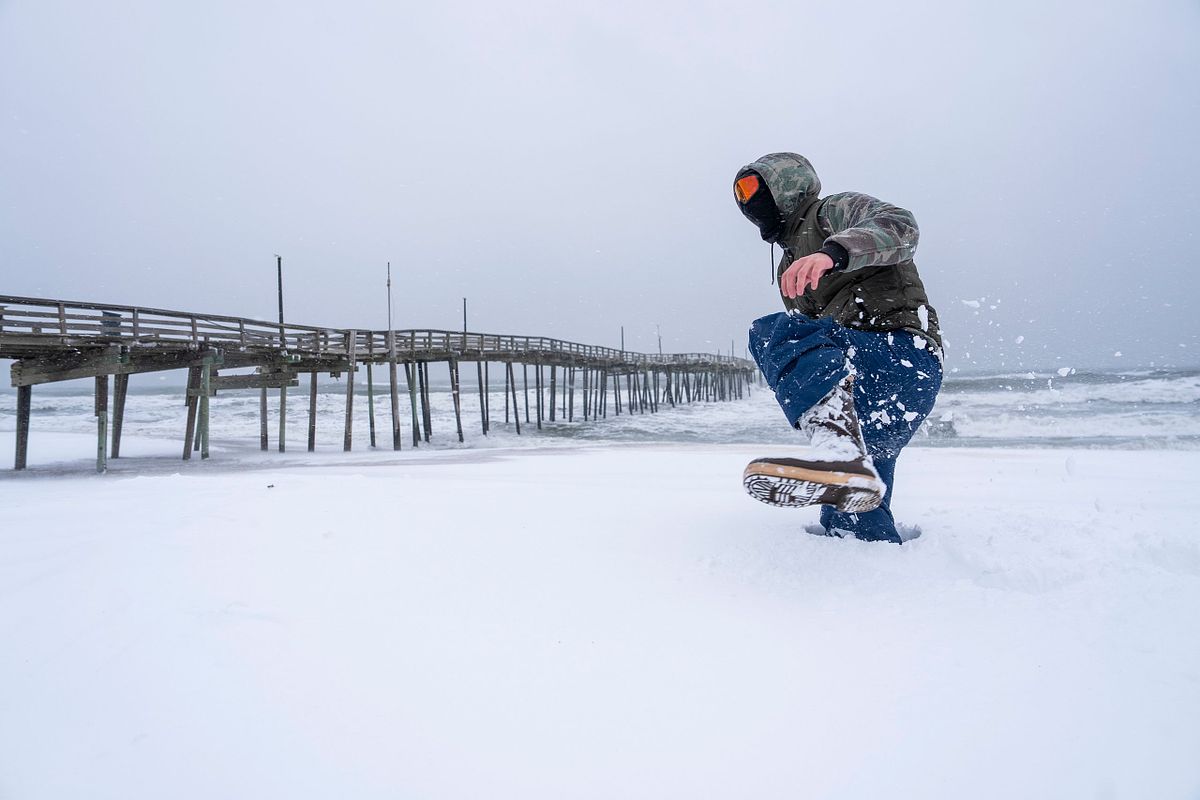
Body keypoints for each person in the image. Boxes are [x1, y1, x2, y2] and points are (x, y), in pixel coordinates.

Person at [733, 152, 943, 544]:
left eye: (755, 190)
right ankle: (879, 574)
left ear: (786, 188)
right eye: (742, 196)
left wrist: (834, 253)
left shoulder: (832, 212)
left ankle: (836, 450)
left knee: (773, 333)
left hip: (900, 354)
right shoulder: (788, 264)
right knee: (853, 510)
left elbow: (901, 227)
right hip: (877, 382)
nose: (750, 204)